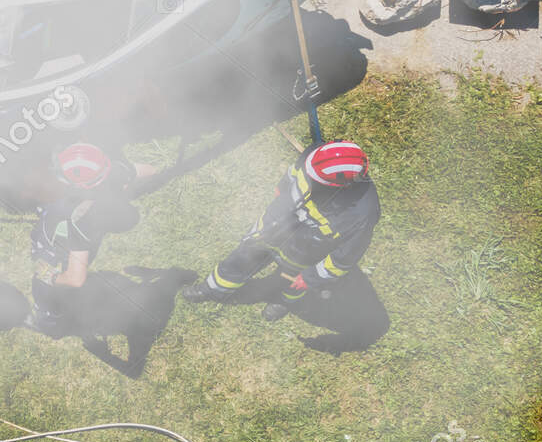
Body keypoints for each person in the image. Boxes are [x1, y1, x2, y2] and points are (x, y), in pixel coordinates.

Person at [180, 139, 388, 353]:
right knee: (241, 259)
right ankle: (211, 289)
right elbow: (292, 175)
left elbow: (343, 259)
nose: (308, 177)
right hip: (272, 228)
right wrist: (281, 190)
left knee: (293, 284)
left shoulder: (363, 213)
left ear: (341, 186)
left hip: (304, 253)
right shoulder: (317, 155)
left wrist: (309, 278)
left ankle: (284, 302)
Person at [29, 142, 155, 337]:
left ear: (78, 187)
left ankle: (51, 324)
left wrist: (49, 276)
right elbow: (147, 170)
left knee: (44, 296)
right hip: (89, 223)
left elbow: (76, 278)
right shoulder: (112, 170)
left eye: (62, 176)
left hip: (61, 256)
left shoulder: (78, 220)